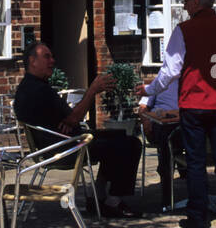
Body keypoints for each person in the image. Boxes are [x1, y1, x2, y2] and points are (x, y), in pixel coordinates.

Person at [137, 0, 216, 228]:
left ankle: (198, 218)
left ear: (197, 3)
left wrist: (149, 90)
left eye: (186, 1)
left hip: (194, 106)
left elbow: (170, 71)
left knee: (196, 163)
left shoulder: (184, 30)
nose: (184, 6)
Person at [13, 41, 142, 218]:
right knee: (130, 143)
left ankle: (99, 196)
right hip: (64, 148)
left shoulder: (29, 86)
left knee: (117, 135)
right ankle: (113, 201)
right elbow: (74, 119)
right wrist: (92, 91)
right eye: (47, 57)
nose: (52, 61)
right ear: (32, 61)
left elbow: (68, 119)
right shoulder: (38, 90)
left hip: (60, 140)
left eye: (52, 56)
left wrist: (69, 121)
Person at [137, 75, 181, 208]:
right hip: (161, 125)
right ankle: (167, 194)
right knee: (167, 139)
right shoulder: (159, 81)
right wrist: (145, 121)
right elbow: (143, 107)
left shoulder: (192, 81)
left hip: (183, 124)